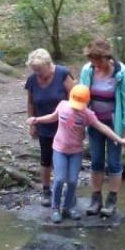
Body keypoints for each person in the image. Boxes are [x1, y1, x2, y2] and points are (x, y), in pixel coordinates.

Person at [28, 85, 125, 224]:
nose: (77, 107)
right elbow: (53, 117)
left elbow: (102, 127)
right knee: (59, 179)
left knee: (72, 181)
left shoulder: (87, 114)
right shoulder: (63, 106)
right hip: (59, 149)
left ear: (87, 102)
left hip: (75, 152)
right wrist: (37, 120)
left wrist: (119, 140)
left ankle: (68, 207)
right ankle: (55, 208)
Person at [78, 38, 125, 218]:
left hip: (114, 124)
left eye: (96, 59)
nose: (94, 63)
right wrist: (80, 124)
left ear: (106, 58)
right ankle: (96, 198)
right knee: (96, 161)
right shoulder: (87, 70)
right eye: (91, 59)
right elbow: (80, 98)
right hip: (94, 123)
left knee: (114, 162)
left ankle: (112, 200)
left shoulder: (121, 72)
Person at [23, 48, 75, 204]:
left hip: (65, 125)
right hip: (43, 124)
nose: (37, 73)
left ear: (48, 64)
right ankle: (46, 190)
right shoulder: (32, 80)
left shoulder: (63, 74)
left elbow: (76, 97)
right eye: (34, 70)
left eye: (39, 69)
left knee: (65, 158)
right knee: (46, 158)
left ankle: (68, 191)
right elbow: (30, 102)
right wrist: (32, 123)